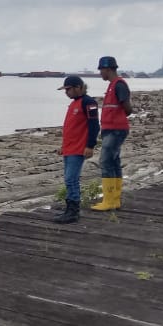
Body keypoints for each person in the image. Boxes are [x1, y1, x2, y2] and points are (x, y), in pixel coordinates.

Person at [54, 76, 99, 224]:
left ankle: (74, 211)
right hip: (69, 148)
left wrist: (90, 145)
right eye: (65, 90)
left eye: (69, 89)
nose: (67, 92)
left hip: (79, 148)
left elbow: (94, 125)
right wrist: (63, 146)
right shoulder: (74, 104)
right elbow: (71, 128)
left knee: (71, 179)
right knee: (68, 179)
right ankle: (69, 209)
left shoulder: (89, 102)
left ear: (78, 87)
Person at [91, 56, 133, 211]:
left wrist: (117, 119)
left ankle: (109, 200)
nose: (100, 73)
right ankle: (114, 200)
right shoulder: (111, 86)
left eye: (101, 70)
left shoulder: (119, 85)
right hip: (110, 129)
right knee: (114, 162)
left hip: (116, 130)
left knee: (106, 161)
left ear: (107, 69)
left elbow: (128, 108)